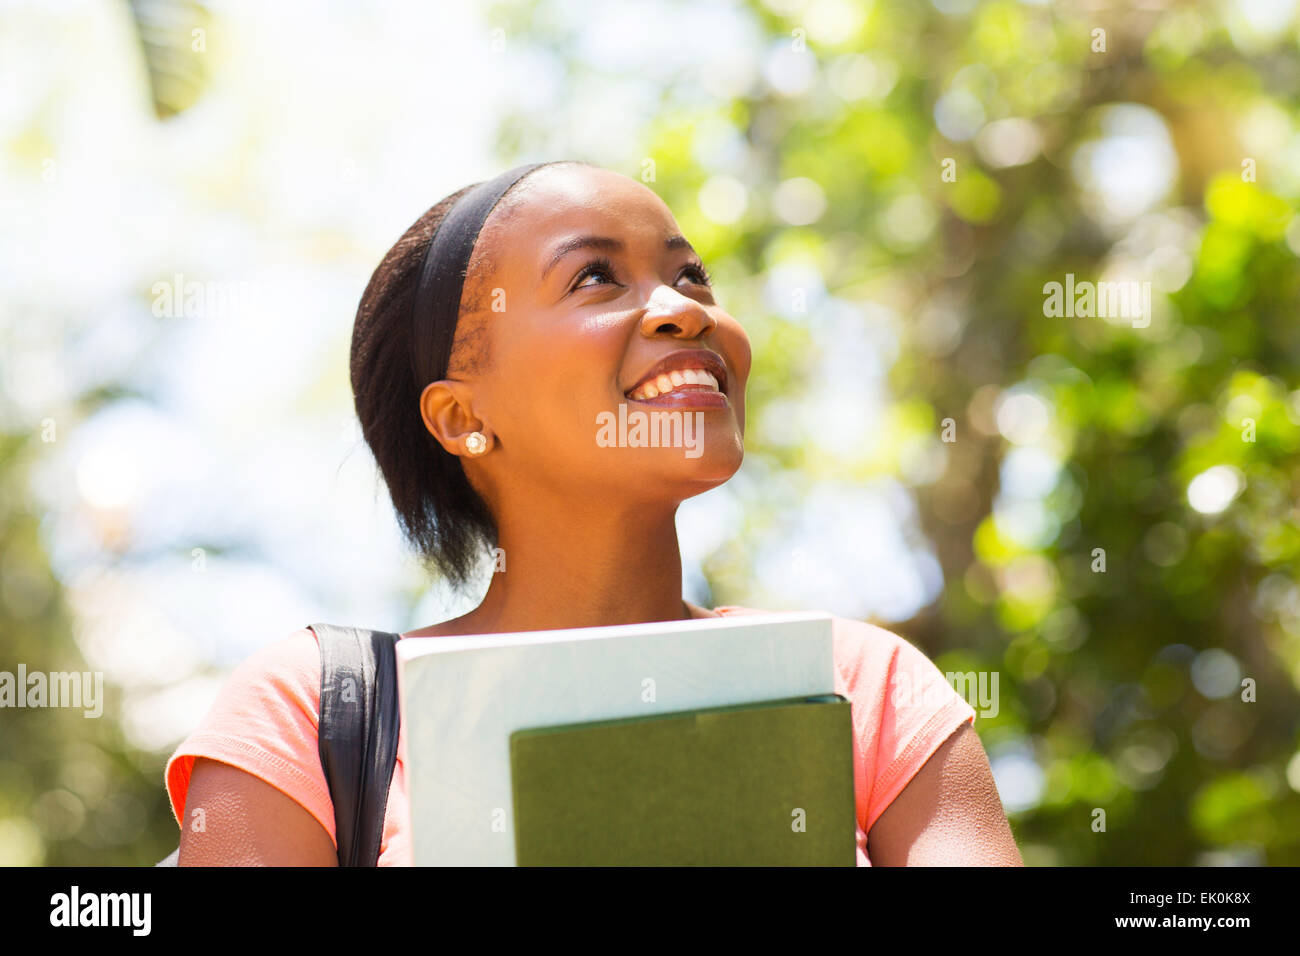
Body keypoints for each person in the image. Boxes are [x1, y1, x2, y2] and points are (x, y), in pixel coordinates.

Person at [165, 160, 1023, 866]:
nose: (689, 310)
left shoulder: (867, 689)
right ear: (464, 418)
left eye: (691, 275)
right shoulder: (311, 717)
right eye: (595, 277)